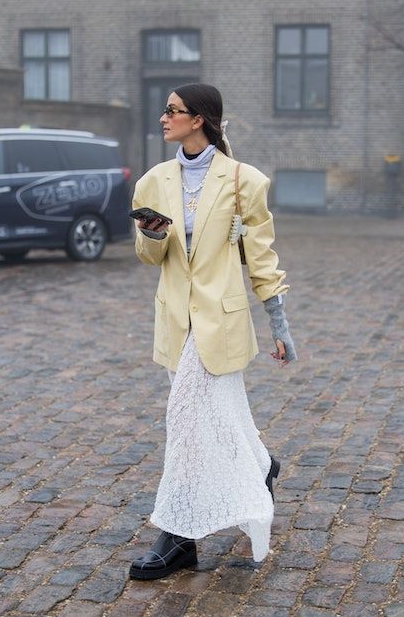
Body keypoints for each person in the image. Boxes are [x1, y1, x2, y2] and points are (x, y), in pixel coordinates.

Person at [129, 83, 297, 580]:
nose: (163, 118)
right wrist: (153, 235)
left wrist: (279, 323)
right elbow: (148, 257)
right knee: (213, 416)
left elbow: (260, 257)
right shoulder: (152, 181)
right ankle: (261, 463)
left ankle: (178, 537)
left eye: (172, 111)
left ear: (199, 119)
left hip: (220, 323)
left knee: (184, 425)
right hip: (174, 322)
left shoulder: (246, 182)